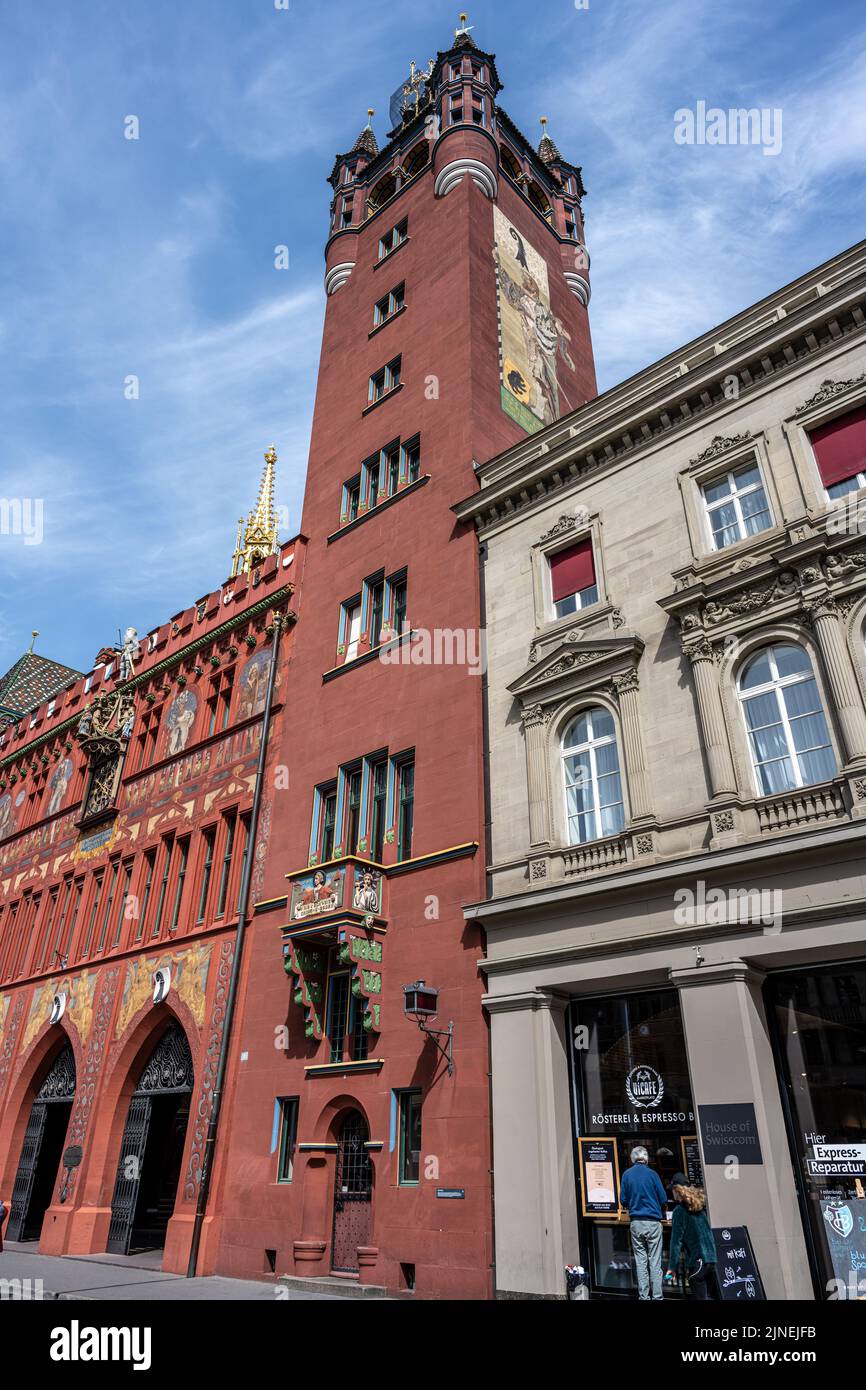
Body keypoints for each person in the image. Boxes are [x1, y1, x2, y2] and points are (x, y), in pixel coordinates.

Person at [619, 1145, 668, 1301]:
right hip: (653, 1222)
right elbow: (663, 1198)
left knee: (641, 1262)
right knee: (655, 1261)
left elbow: (623, 1200)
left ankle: (644, 1297)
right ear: (646, 1158)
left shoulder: (627, 1175)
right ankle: (658, 1297)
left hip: (636, 1222)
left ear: (633, 1159)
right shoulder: (653, 1174)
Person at [667, 1173, 719, 1300]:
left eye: (672, 1190)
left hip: (697, 1263)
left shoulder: (679, 1212)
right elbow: (708, 1234)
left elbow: (676, 1242)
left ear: (677, 1191)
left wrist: (671, 1268)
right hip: (711, 1261)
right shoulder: (700, 1207)